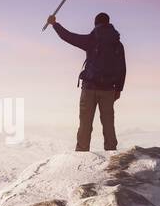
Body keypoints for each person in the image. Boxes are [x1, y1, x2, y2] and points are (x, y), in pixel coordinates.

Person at [47, 12, 126, 152]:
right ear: (109, 23)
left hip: (89, 88)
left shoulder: (92, 39)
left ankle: (82, 153)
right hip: (109, 90)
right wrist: (118, 89)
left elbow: (69, 37)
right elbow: (122, 68)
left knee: (85, 124)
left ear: (96, 23)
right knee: (108, 124)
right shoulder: (117, 44)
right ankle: (112, 153)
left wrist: (54, 24)